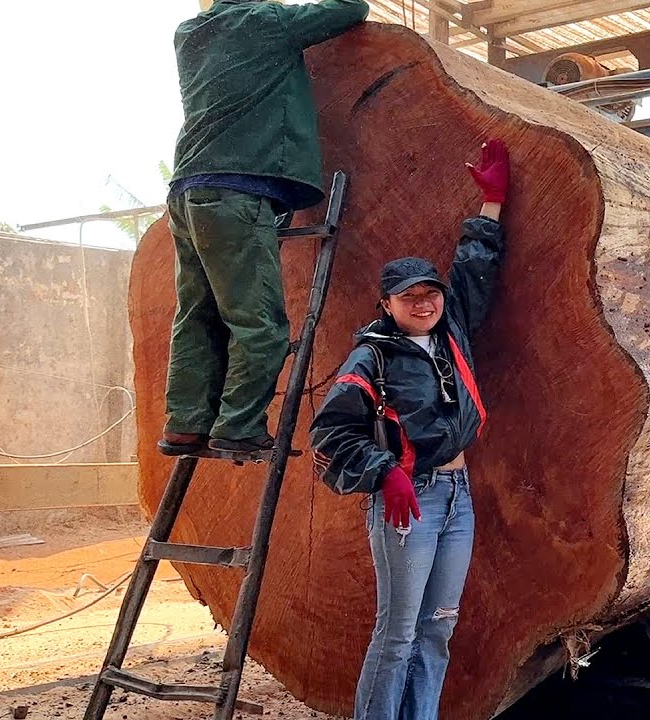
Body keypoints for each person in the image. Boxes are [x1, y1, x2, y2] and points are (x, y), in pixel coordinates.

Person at [309, 139, 510, 720]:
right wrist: (385, 473)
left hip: (458, 497)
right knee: (397, 634)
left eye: (430, 293)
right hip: (409, 500)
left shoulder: (452, 332)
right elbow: (330, 433)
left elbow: (474, 269)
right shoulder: (371, 358)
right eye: (409, 296)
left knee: (438, 629)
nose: (423, 303)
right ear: (387, 304)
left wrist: (492, 202)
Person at [159, 0, 369, 456]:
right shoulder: (267, 21)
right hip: (235, 193)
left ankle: (185, 424)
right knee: (261, 324)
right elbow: (351, 8)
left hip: (186, 190)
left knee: (196, 316)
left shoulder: (188, 34)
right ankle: (239, 426)